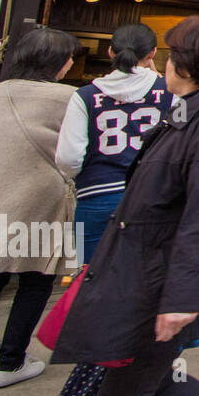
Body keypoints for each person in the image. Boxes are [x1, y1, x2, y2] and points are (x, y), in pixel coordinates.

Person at [53, 16, 199, 396]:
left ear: (187, 64)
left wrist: (183, 296)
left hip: (160, 278)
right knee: (150, 383)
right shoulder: (189, 111)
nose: (161, 64)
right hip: (148, 273)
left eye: (171, 56)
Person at [0, 28, 78, 387]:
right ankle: (11, 361)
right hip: (43, 198)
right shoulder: (70, 97)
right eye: (69, 57)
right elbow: (76, 152)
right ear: (55, 61)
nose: (71, 63)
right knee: (37, 280)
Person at [55, 23, 171, 263]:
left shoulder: (85, 95)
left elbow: (68, 158)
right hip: (151, 194)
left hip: (95, 195)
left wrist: (79, 177)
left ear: (110, 52)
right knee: (143, 276)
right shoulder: (170, 92)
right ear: (152, 54)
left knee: (89, 275)